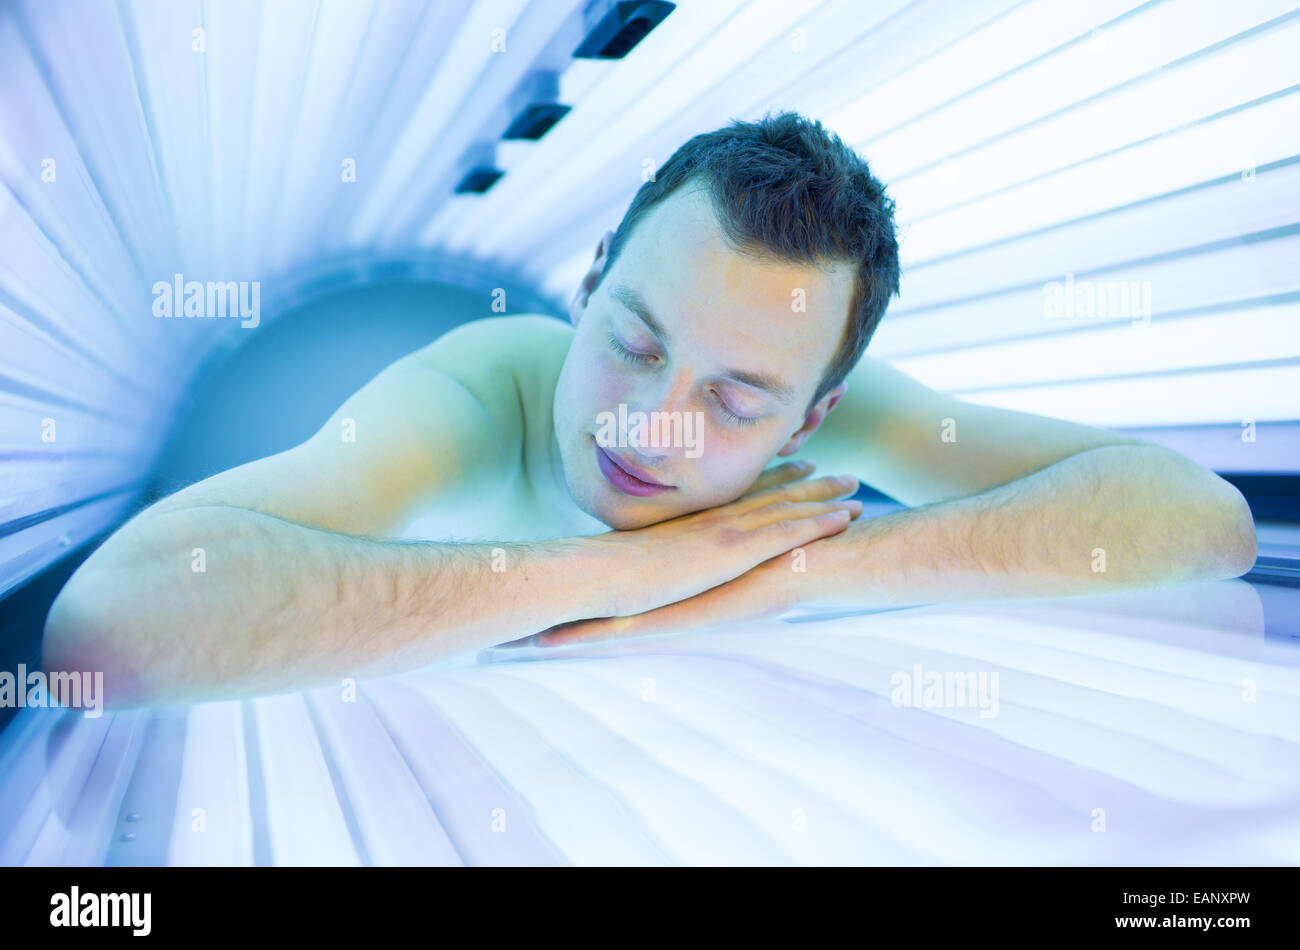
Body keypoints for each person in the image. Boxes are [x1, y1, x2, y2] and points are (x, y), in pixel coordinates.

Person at [42, 112, 1257, 708]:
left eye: (735, 401)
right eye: (630, 341)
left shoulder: (844, 414)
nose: (651, 421)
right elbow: (108, 625)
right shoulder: (480, 389)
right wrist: (623, 569)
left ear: (808, 420)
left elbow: (1195, 516)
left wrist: (787, 575)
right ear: (585, 294)